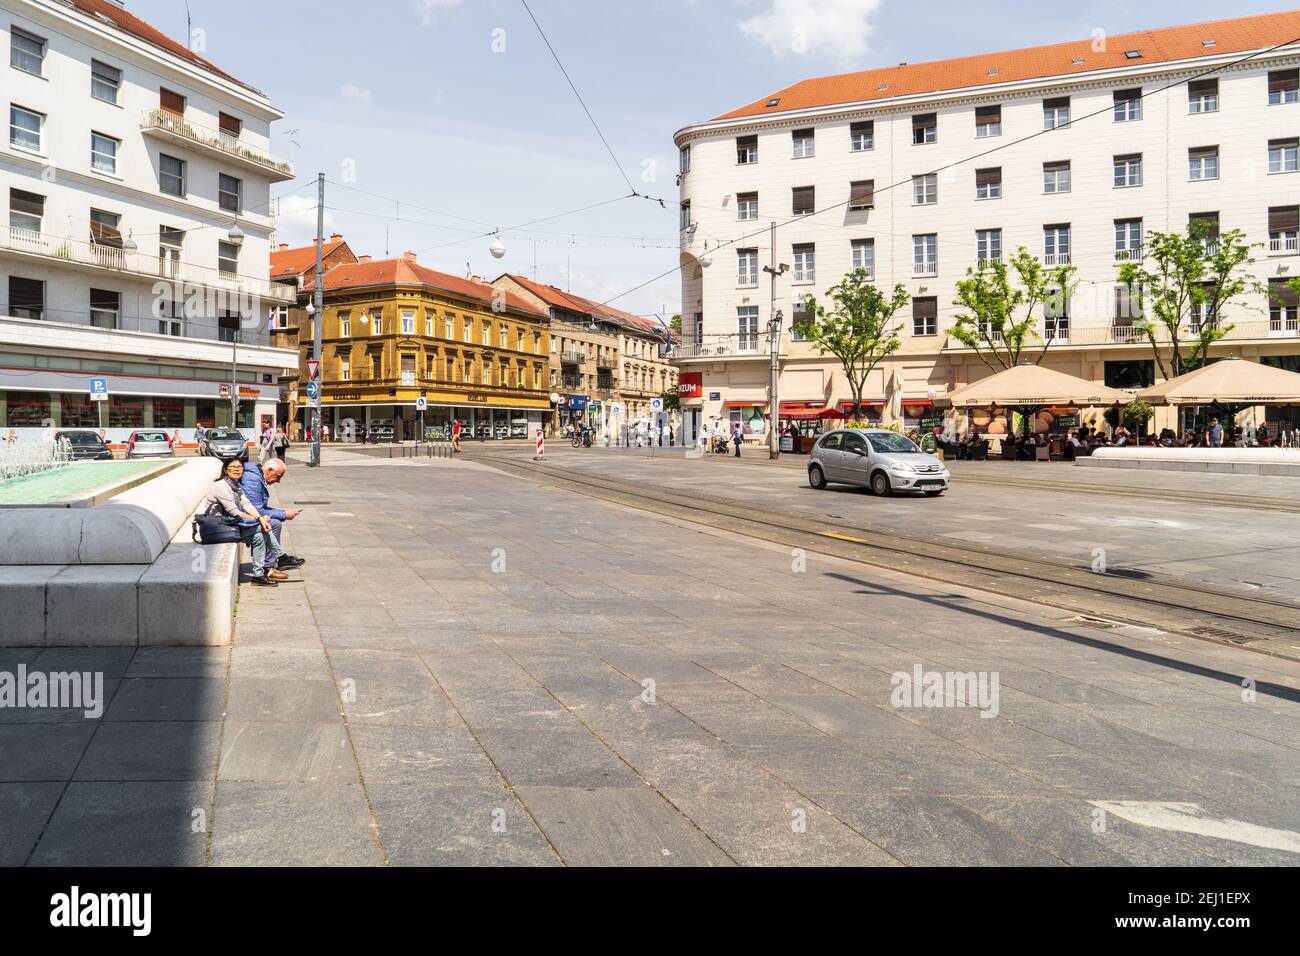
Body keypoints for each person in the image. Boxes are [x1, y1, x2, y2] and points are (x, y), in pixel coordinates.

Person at [205, 458, 286, 587]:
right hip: (219, 528)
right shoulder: (221, 486)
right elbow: (234, 512)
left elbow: (246, 504)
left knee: (258, 537)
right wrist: (259, 519)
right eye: (233, 467)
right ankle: (281, 557)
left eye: (240, 467)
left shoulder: (235, 485)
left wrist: (259, 517)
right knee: (262, 527)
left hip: (229, 524)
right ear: (225, 470)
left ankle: (258, 575)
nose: (237, 469)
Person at [241, 458, 307, 573]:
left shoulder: (256, 476)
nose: (278, 481)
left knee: (274, 522)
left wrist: (283, 512)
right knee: (274, 523)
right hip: (239, 518)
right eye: (278, 476)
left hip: (245, 514)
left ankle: (272, 563)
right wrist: (284, 514)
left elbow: (258, 508)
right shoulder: (252, 479)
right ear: (269, 471)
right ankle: (269, 565)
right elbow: (257, 511)